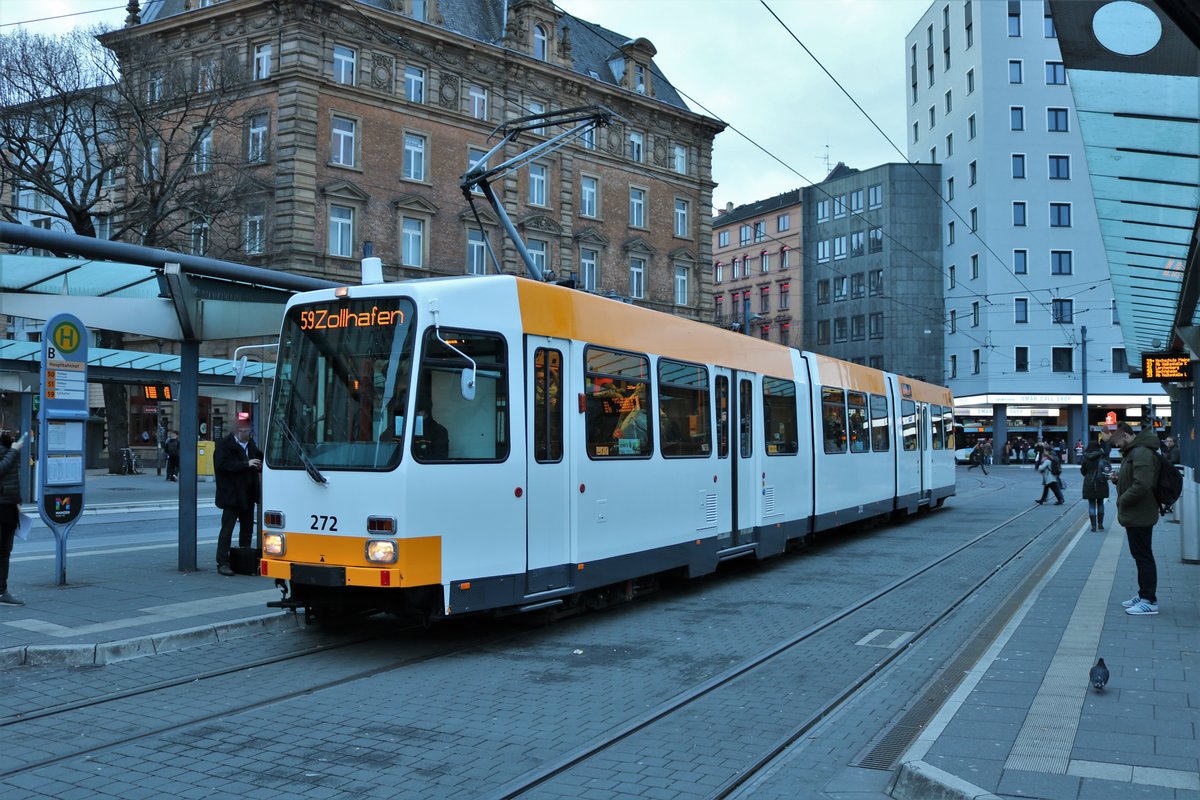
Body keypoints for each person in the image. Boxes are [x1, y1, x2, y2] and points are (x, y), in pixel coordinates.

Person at [1108, 422, 1162, 615]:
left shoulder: (1141, 453)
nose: (1115, 444)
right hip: (1137, 512)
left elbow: (1143, 484)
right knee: (1140, 555)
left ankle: (1150, 600)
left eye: (1116, 440)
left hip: (1141, 512)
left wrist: (1123, 499)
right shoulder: (1134, 452)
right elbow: (1136, 478)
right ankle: (1144, 594)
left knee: (1143, 556)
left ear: (1126, 435)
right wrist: (1118, 479)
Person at [214, 421, 263, 576]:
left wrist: (261, 465)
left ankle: (244, 561)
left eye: (251, 433)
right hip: (232, 495)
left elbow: (259, 457)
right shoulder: (224, 445)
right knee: (227, 530)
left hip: (248, 494)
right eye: (248, 432)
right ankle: (222, 562)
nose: (250, 436)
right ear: (240, 431)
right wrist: (245, 464)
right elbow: (222, 465)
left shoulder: (250, 445)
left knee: (247, 530)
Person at [0, 430, 29, 606]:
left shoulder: (6, 442)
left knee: (4, 552)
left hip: (9, 506)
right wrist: (14, 450)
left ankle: (2, 591)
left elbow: (11, 478)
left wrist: (17, 501)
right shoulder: (10, 448)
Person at [1079, 440, 1111, 531]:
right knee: (1100, 503)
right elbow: (1107, 468)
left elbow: (1083, 471)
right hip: (1101, 481)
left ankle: (1093, 526)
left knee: (1091, 504)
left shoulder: (1085, 457)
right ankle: (1100, 524)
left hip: (1089, 481)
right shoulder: (1102, 455)